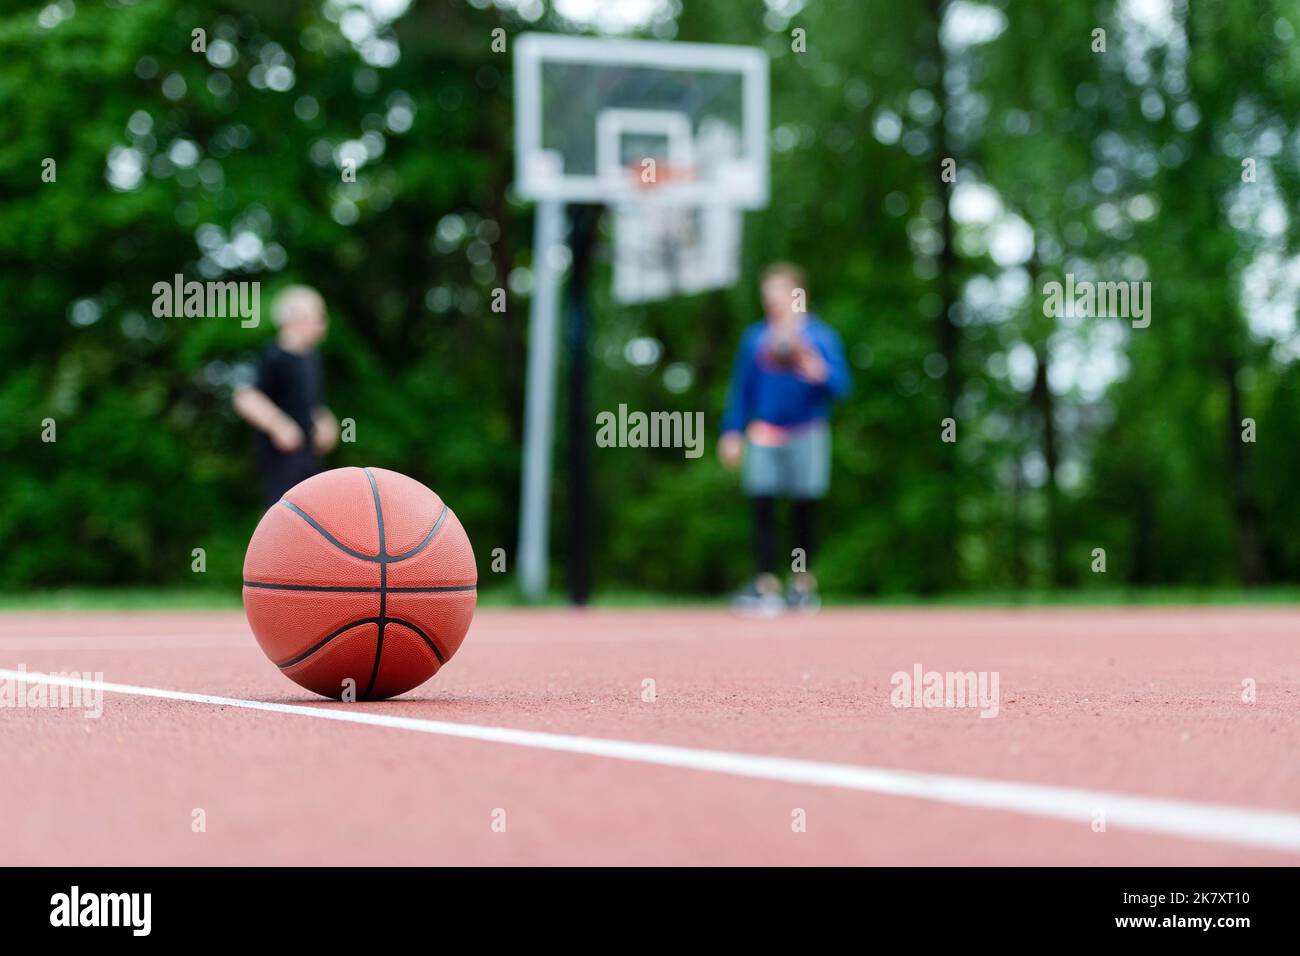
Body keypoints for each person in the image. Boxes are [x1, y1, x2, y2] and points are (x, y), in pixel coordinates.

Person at [719, 262, 851, 614]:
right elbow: (741, 391)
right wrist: (731, 431)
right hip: (764, 431)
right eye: (767, 294)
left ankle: (801, 582)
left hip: (808, 431)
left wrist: (817, 370)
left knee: (804, 507)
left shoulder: (821, 338)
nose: (771, 300)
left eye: (778, 292)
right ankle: (766, 584)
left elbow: (842, 388)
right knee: (762, 504)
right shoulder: (755, 339)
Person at [233, 285, 338, 505]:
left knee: (314, 512)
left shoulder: (311, 358)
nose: (323, 322)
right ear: (296, 318)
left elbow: (308, 401)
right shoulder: (273, 355)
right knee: (282, 514)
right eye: (319, 315)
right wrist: (278, 424)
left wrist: (324, 419)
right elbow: (246, 397)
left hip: (307, 454)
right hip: (280, 457)